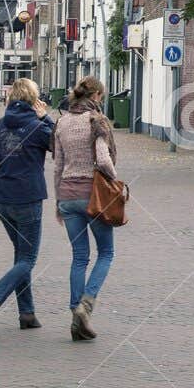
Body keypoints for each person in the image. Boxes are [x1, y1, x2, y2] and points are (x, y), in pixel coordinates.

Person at [0, 78, 55, 333]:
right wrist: (46, 118)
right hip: (28, 198)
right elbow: (58, 146)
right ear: (34, 100)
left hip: (2, 199)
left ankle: (27, 314)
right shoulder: (38, 126)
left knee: (21, 256)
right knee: (28, 259)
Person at [52, 76, 120, 342]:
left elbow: (57, 166)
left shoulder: (61, 122)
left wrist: (59, 201)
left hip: (68, 196)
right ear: (97, 96)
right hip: (94, 197)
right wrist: (115, 182)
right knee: (106, 252)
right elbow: (103, 159)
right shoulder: (97, 121)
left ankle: (75, 316)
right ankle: (86, 305)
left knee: (79, 257)